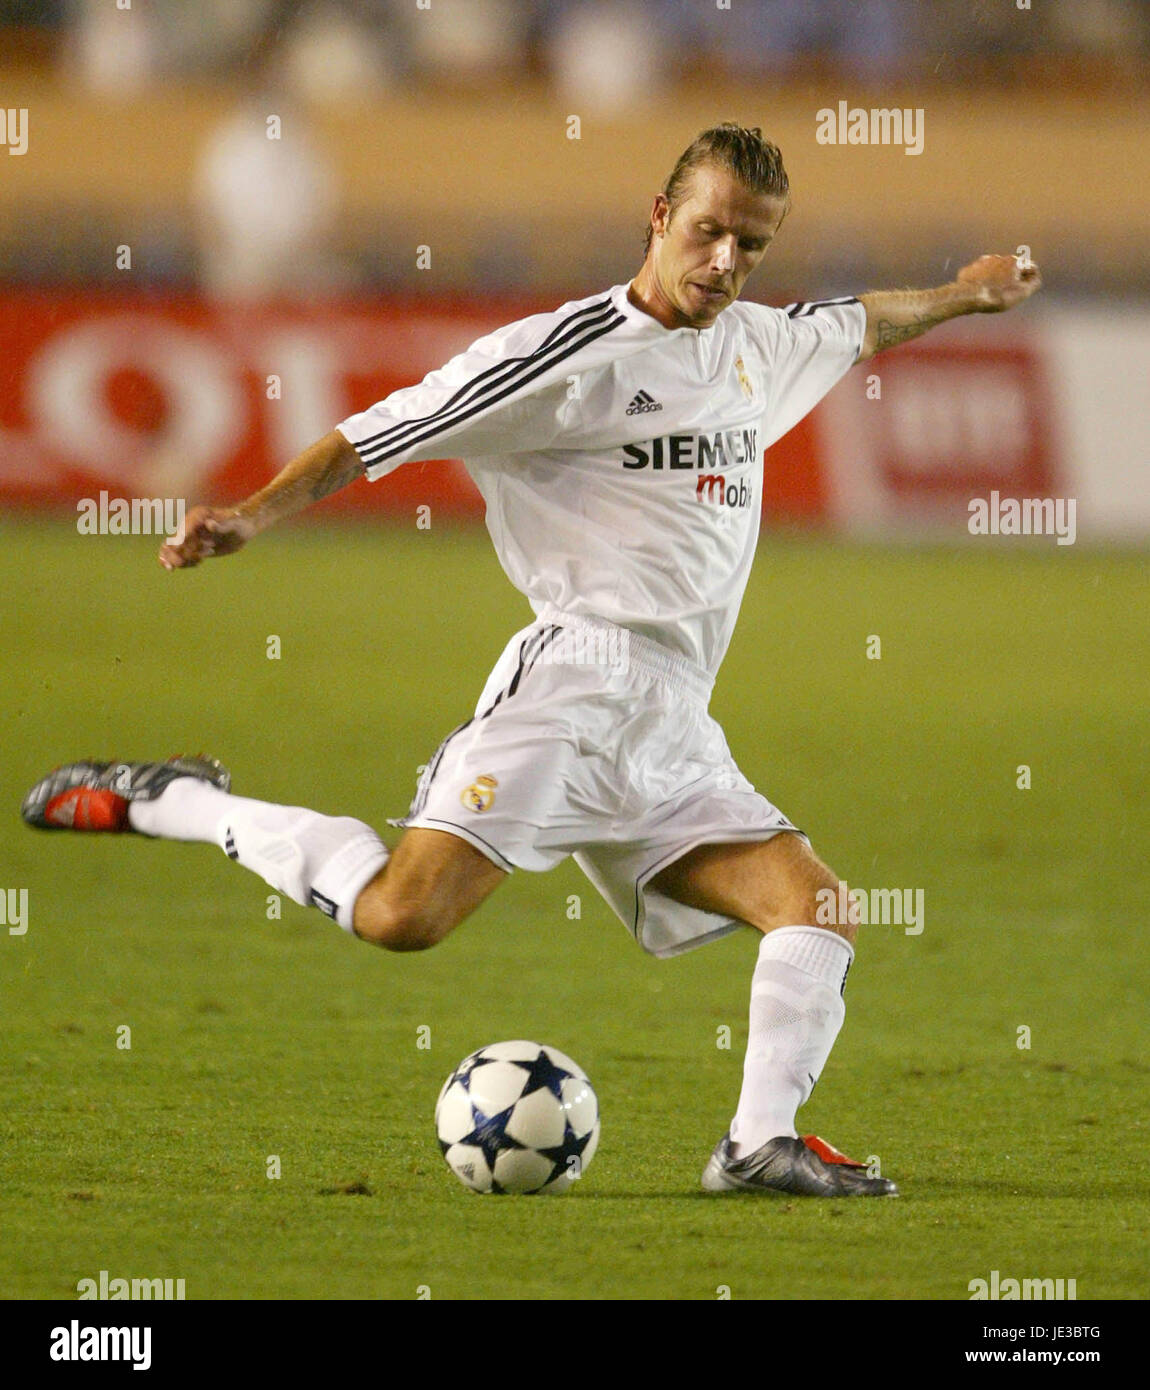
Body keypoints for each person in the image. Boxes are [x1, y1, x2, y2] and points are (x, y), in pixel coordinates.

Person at [23, 124, 1041, 1197]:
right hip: (569, 688)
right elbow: (379, 432)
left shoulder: (758, 345)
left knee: (817, 909)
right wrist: (251, 515)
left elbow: (861, 324)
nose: (724, 263)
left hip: (673, 721)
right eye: (705, 234)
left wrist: (964, 294)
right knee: (399, 918)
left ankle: (756, 1145)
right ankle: (180, 803)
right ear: (658, 218)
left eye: (750, 245)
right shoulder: (559, 356)